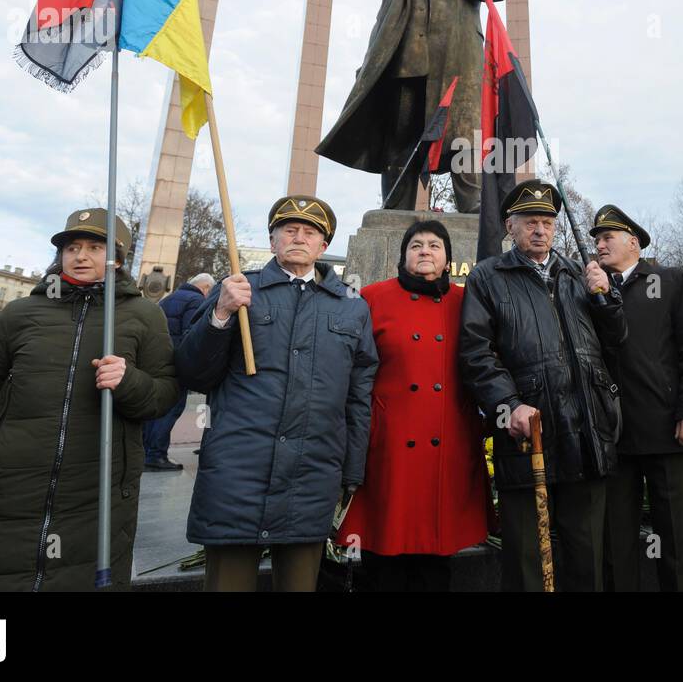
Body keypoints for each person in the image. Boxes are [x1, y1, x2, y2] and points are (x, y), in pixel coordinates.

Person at [0, 209, 179, 591]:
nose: (81, 256)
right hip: (10, 486)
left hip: (96, 490)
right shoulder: (21, 312)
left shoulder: (144, 316)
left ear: (117, 259)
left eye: (94, 247)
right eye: (72, 247)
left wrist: (128, 382)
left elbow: (163, 397)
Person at [177, 195, 379, 592]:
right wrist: (219, 315)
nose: (299, 238)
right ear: (272, 242)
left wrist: (352, 470)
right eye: (289, 230)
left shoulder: (352, 307)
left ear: (323, 246)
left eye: (310, 232)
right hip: (237, 475)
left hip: (312, 475)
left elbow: (359, 396)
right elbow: (194, 373)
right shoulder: (237, 289)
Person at [459, 179, 626, 591]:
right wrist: (508, 403)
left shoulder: (580, 273)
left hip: (587, 427)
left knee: (586, 550)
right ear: (510, 227)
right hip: (527, 430)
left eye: (548, 223)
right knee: (527, 556)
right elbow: (476, 352)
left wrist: (605, 298)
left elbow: (616, 342)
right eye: (530, 221)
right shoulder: (488, 276)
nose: (540, 230)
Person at [316, 0, 508, 213]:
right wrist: (369, 64)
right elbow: (384, 16)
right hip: (406, 58)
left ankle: (471, 203)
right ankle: (395, 205)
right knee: (400, 133)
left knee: (462, 132)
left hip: (458, 58)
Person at [341, 220, 492, 592]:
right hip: (389, 445)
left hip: (447, 443)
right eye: (416, 245)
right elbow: (351, 366)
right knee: (383, 550)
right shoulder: (372, 297)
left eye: (435, 245)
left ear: (447, 260)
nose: (425, 251)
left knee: (435, 557)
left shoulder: (466, 301)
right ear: (403, 256)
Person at [590, 204, 683, 592]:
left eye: (607, 237)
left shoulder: (670, 281)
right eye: (596, 238)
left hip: (668, 432)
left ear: (634, 243)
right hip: (614, 435)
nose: (599, 244)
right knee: (616, 543)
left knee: (675, 541)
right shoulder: (589, 287)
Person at [143, 273, 214, 471]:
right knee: (171, 409)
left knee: (156, 408)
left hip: (156, 362)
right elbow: (191, 336)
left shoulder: (168, 299)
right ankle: (156, 455)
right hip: (177, 364)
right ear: (206, 288)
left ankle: (146, 451)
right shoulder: (197, 300)